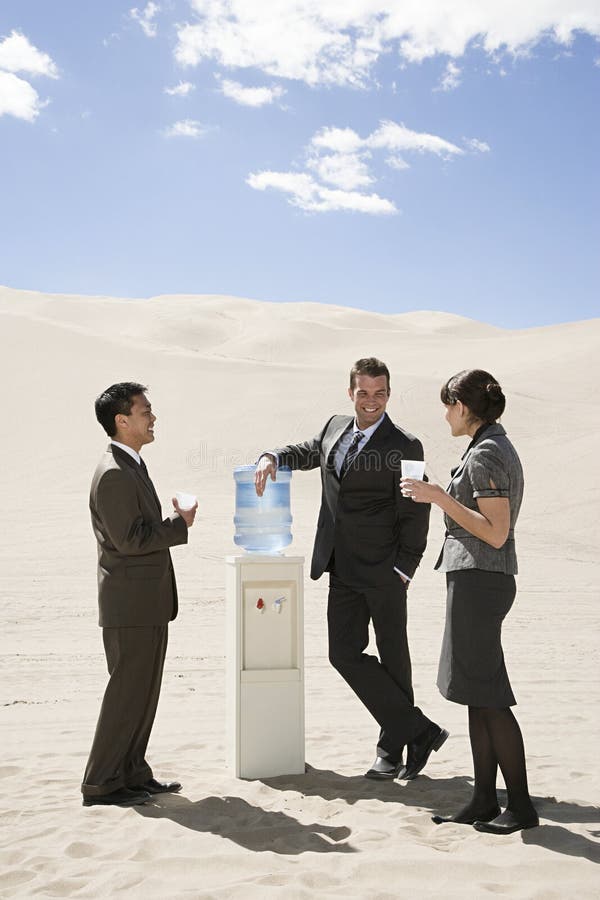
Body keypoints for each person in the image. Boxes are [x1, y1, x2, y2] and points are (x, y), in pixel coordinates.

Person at [255, 358, 448, 781]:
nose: (371, 401)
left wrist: (405, 567)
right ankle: (418, 731)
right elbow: (308, 452)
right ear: (351, 393)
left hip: (385, 570)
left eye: (380, 393)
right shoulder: (334, 427)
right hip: (341, 566)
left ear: (389, 394)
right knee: (343, 653)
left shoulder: (406, 445)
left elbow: (415, 510)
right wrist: (273, 456)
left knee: (394, 658)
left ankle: (390, 750)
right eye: (363, 393)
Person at [401, 369, 539, 834]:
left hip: (482, 579)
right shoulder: (487, 448)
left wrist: (438, 497)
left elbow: (495, 532)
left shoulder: (487, 453)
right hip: (475, 577)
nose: (445, 415)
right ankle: (483, 798)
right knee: (477, 696)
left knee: (491, 697)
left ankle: (519, 806)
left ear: (463, 406)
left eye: (447, 406)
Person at [81, 382, 197, 807]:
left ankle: (131, 772)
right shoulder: (113, 472)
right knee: (126, 693)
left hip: (146, 602)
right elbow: (129, 540)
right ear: (122, 421)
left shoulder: (130, 465)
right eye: (146, 411)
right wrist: (179, 523)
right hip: (128, 604)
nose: (153, 418)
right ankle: (101, 783)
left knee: (143, 693)